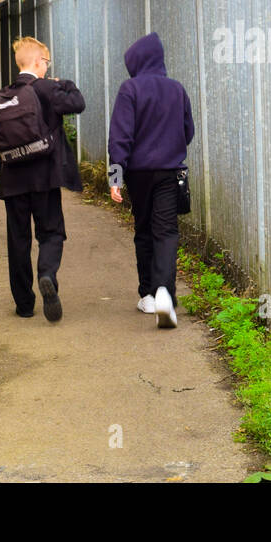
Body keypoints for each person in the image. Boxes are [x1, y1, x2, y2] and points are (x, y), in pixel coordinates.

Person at [0, 36, 85, 322]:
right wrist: (63, 82)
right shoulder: (45, 88)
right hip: (44, 177)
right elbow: (77, 103)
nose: (46, 67)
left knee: (18, 241)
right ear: (38, 62)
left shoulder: (3, 96)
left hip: (11, 181)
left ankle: (24, 305)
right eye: (46, 62)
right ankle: (47, 275)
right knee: (51, 232)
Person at [107, 32, 194, 328]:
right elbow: (189, 132)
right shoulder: (177, 90)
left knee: (144, 230)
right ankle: (165, 294)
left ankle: (147, 295)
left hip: (138, 174)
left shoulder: (130, 89)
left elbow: (120, 136)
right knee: (167, 232)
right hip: (170, 172)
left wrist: (115, 176)